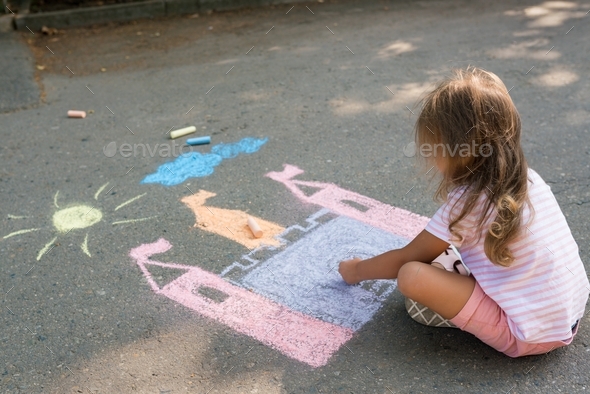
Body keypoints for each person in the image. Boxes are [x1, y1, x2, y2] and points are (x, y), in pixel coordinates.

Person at [338, 67, 589, 357]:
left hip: (528, 335)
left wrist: (355, 270)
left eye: (432, 149)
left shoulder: (466, 204)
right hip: (570, 310)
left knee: (412, 274)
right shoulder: (529, 178)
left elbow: (406, 259)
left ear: (454, 151)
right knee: (442, 252)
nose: (429, 158)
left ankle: (465, 317)